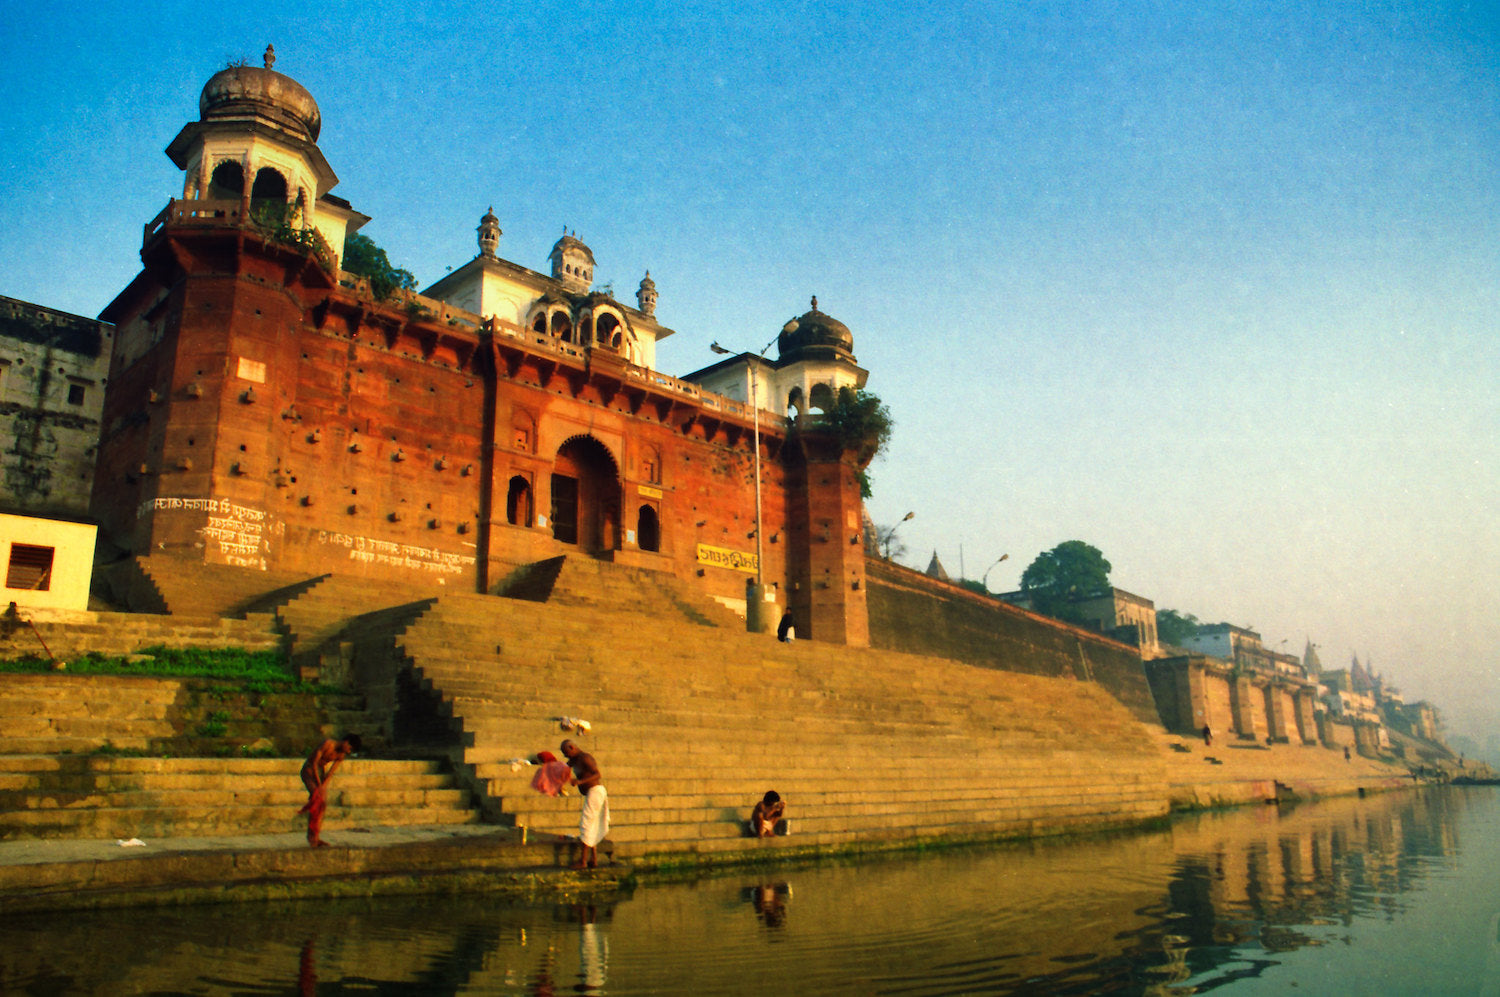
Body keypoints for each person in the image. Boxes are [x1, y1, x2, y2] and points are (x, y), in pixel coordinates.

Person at [298, 733, 361, 847]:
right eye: (349, 748)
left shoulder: (340, 755)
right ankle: (312, 837)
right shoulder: (328, 744)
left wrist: (323, 786)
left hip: (320, 773)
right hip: (309, 770)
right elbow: (313, 763)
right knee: (317, 798)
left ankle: (315, 837)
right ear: (346, 742)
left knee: (322, 804)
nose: (348, 751)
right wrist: (319, 785)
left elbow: (330, 773)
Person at [561, 739, 609, 868]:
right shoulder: (574, 760)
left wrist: (579, 782)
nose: (566, 756)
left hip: (596, 792)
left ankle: (583, 861)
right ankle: (593, 860)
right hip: (591, 793)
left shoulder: (585, 758)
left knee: (586, 823)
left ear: (572, 747)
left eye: (566, 753)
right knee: (592, 825)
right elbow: (564, 767)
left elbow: (598, 774)